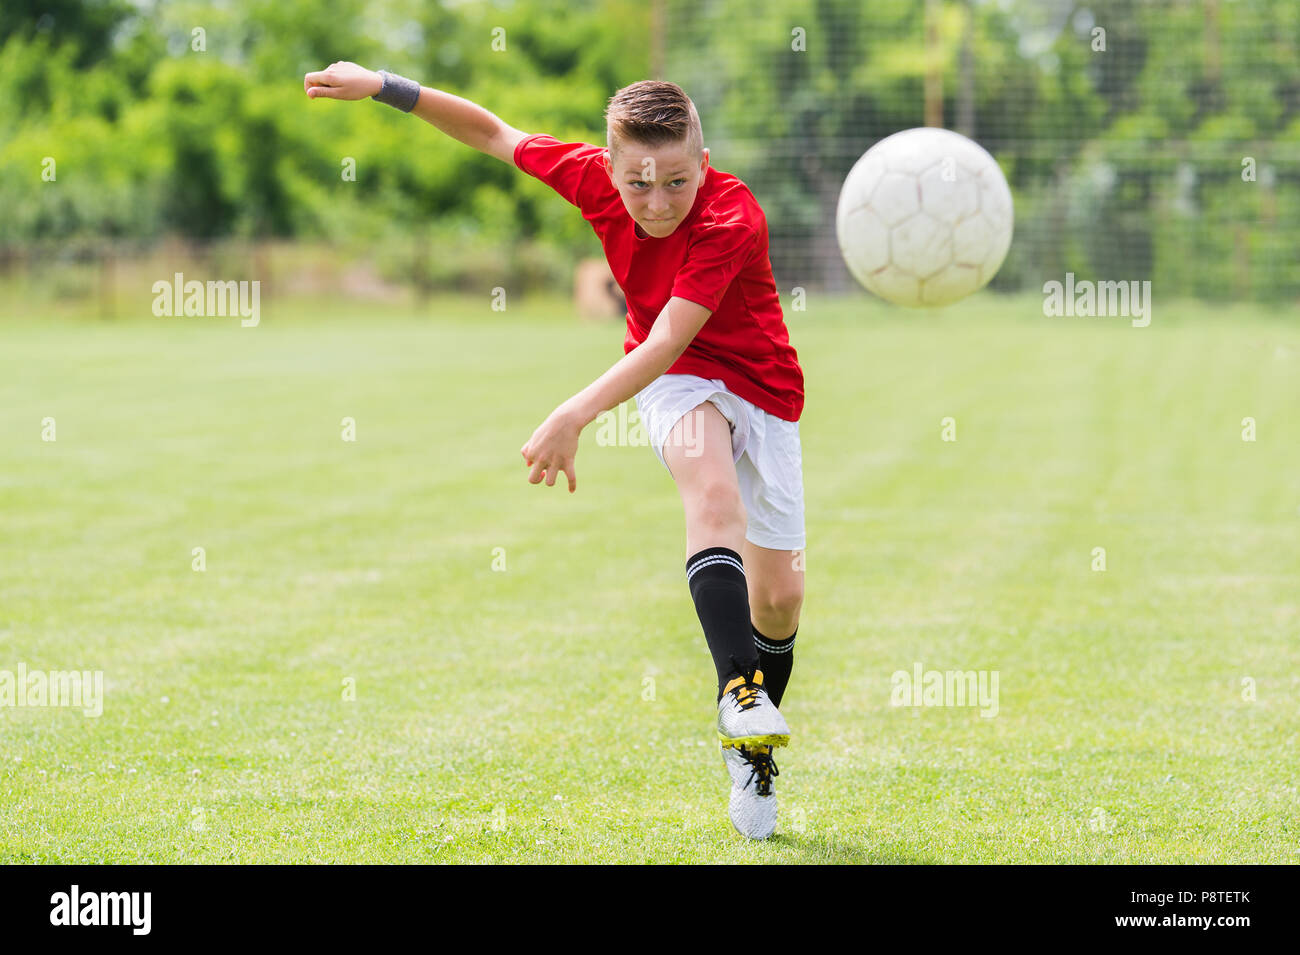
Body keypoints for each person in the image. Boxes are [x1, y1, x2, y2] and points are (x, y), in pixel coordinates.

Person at [304, 63, 806, 840]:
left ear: (702, 165)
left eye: (676, 181)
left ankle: (752, 753)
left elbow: (677, 328)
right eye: (638, 183)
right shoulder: (591, 179)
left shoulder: (731, 215)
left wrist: (575, 411)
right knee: (711, 498)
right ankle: (740, 695)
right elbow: (492, 132)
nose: (657, 201)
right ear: (608, 169)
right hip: (674, 381)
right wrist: (383, 86)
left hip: (762, 388)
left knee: (779, 601)